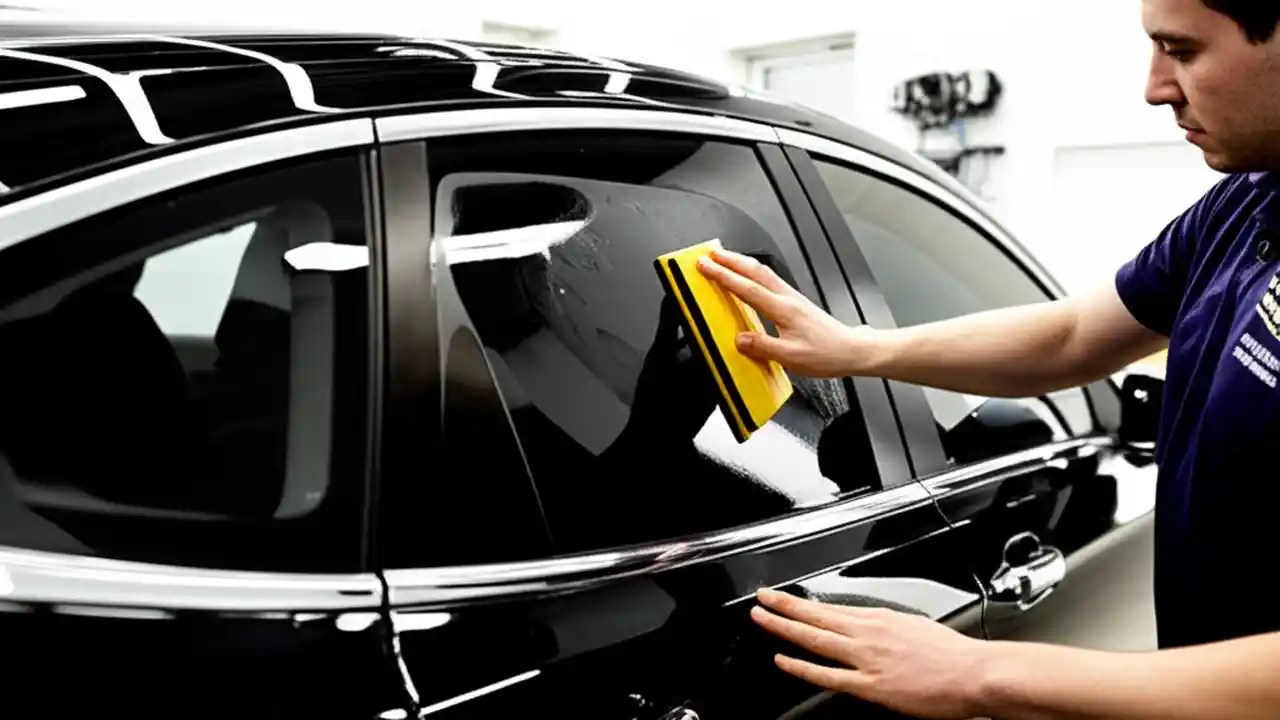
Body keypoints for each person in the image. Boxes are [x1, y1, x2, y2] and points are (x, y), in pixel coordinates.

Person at [696, 1, 1280, 718]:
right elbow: (1072, 338)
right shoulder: (1244, 204)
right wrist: (858, 349)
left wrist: (984, 674)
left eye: (1182, 51)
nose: (1155, 87)